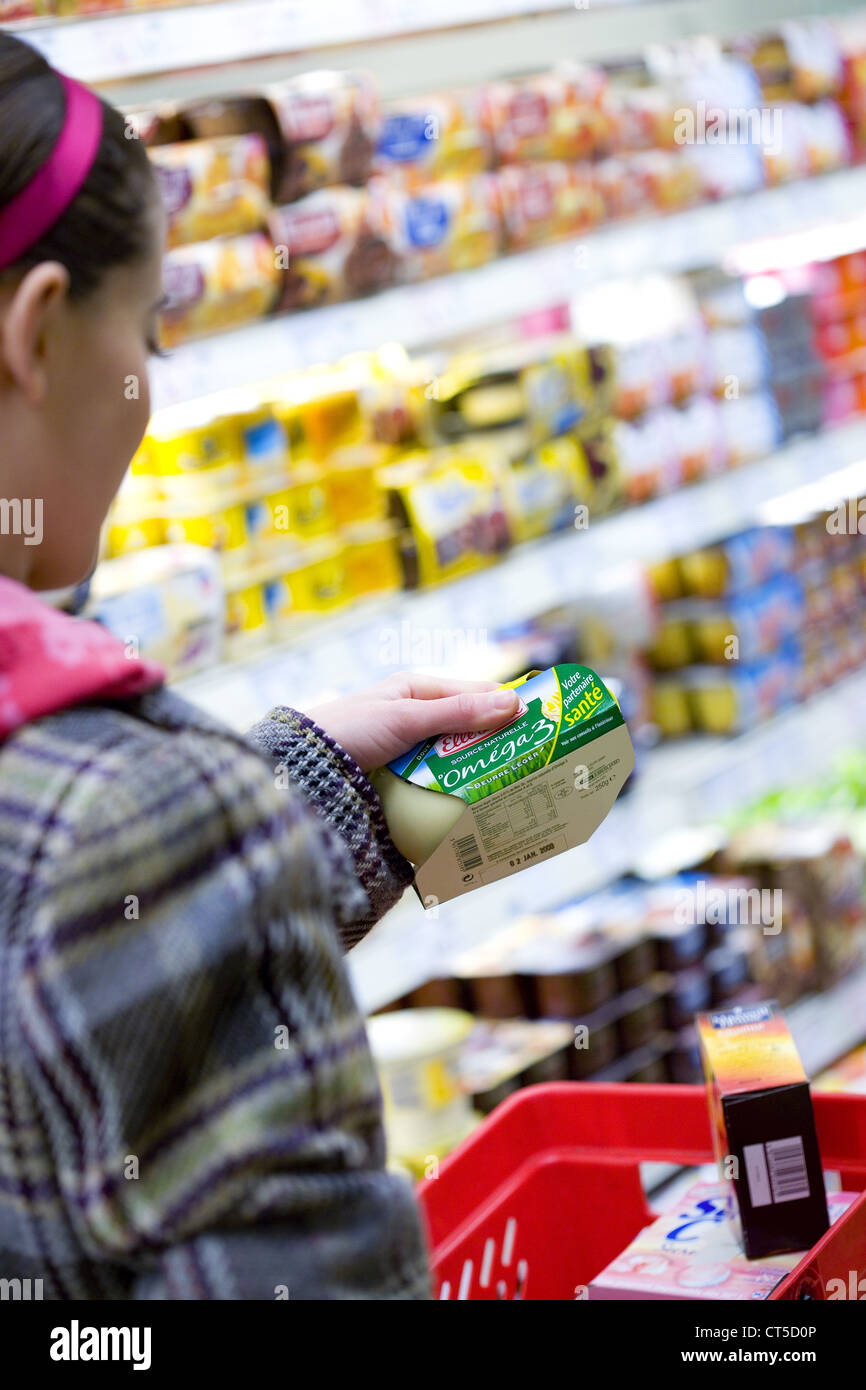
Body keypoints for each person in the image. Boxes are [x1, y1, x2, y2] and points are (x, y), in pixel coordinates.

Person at [0, 34, 519, 1300]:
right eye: (151, 341)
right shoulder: (133, 810)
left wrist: (299, 802)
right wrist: (214, 833)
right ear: (39, 332)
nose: (147, 402)